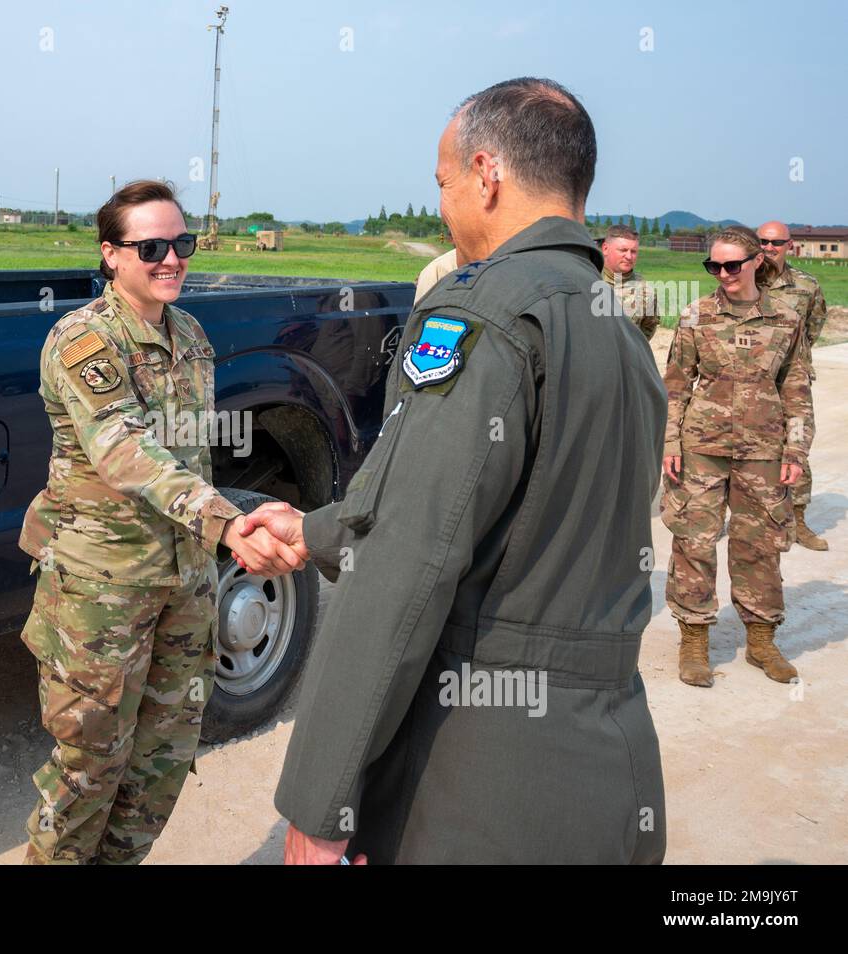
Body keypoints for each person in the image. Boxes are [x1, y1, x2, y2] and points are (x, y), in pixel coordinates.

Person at [243, 78, 668, 864]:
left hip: (481, 784)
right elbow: (525, 513)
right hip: (611, 770)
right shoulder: (620, 331)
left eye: (442, 185)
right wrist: (315, 529)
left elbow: (407, 564)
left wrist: (317, 804)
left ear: (486, 173)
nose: (441, 205)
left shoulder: (484, 314)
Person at [16, 180, 304, 864]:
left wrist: (226, 529)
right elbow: (124, 452)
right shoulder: (81, 339)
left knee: (161, 761)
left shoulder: (192, 336)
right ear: (112, 255)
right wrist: (228, 524)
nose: (171, 259)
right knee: (90, 768)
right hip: (103, 592)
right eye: (151, 247)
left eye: (182, 243)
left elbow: (188, 456)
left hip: (184, 582)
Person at [662, 226, 811, 687]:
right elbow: (675, 386)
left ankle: (761, 640)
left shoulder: (786, 318)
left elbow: (797, 389)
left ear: (754, 263)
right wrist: (669, 443)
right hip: (701, 450)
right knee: (694, 542)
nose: (723, 273)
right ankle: (694, 640)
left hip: (763, 451)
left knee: (760, 546)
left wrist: (797, 449)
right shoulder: (696, 316)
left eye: (731, 265)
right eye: (714, 266)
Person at [757, 220, 829, 550]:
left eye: (776, 242)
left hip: (791, 381)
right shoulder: (744, 278)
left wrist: (791, 359)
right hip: (751, 380)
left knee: (796, 443)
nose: (769, 248)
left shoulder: (806, 286)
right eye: (763, 242)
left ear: (790, 245)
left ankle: (797, 520)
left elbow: (813, 328)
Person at [601, 223, 659, 340]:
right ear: (605, 249)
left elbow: (648, 329)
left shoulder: (645, 290)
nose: (629, 256)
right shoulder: (588, 279)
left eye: (633, 251)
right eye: (623, 250)